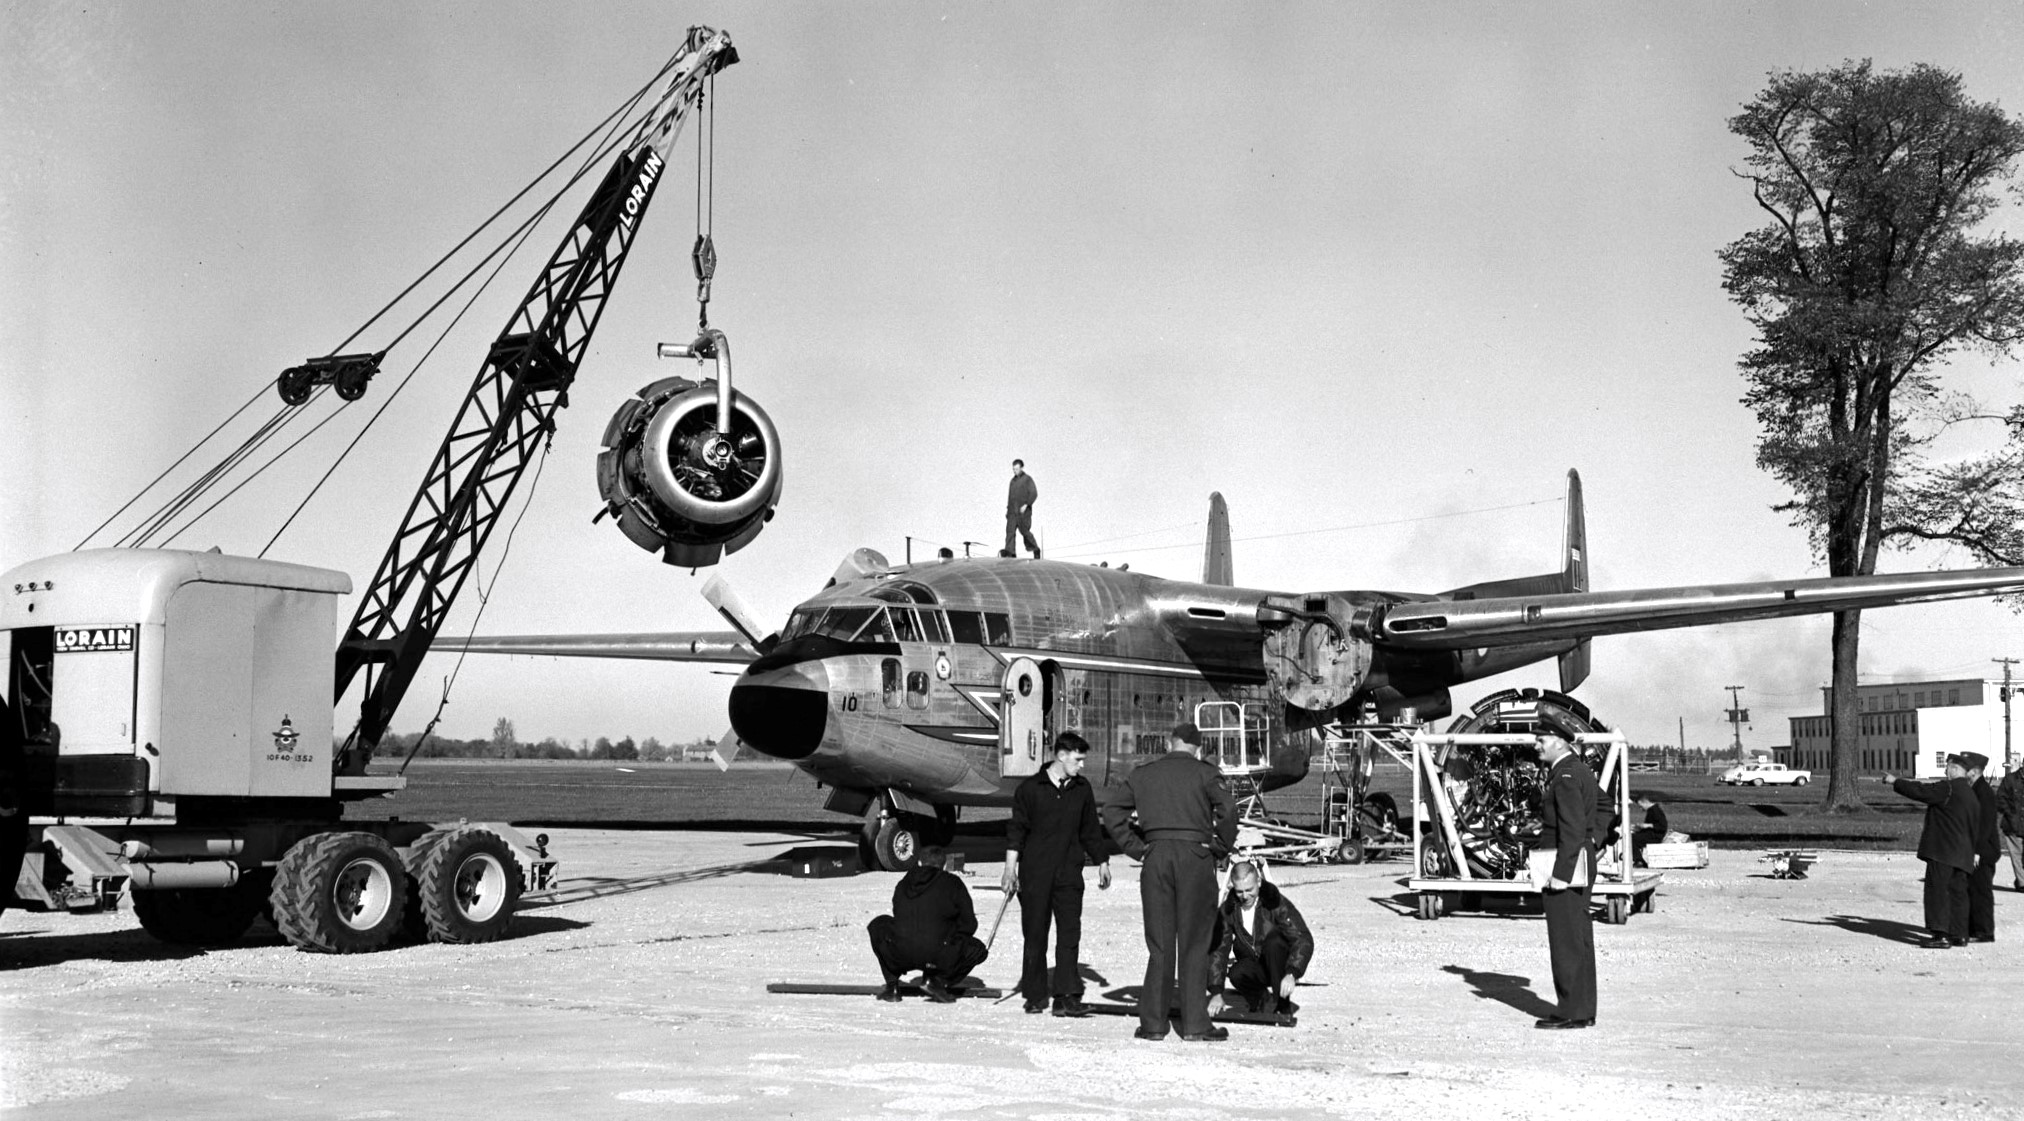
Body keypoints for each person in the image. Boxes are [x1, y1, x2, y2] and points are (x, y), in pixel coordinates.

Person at [1101, 722, 1238, 1042]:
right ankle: (1195, 1025)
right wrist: (1219, 846)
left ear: (1169, 743)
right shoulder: (1205, 773)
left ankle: (1153, 1024)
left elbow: (1111, 811)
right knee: (1193, 943)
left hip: (1156, 856)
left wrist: (1137, 848)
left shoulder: (1143, 774)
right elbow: (1228, 809)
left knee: (1160, 944)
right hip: (1195, 858)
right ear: (1197, 747)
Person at [1004, 731, 1113, 1017]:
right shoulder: (1029, 789)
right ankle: (1035, 994)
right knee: (1035, 935)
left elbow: (1090, 829)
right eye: (1078, 759)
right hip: (1035, 875)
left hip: (1068, 874)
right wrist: (1009, 869)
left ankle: (1066, 996)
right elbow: (1016, 832)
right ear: (1061, 756)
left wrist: (1103, 861)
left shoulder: (1081, 789)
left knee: (1069, 934)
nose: (1082, 765)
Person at [1534, 733, 1602, 1029]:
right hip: (1580, 857)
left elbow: (1571, 830)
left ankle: (1571, 1011)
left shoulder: (1564, 777)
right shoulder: (1580, 769)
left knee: (1565, 940)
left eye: (1542, 740)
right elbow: (1606, 805)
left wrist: (1561, 876)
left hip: (1566, 863)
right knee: (1579, 938)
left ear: (1561, 743)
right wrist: (1595, 839)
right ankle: (1583, 1009)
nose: (1536, 745)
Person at [867, 845, 989, 1002]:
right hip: (938, 952)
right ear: (943, 865)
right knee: (978, 950)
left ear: (919, 862)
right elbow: (969, 924)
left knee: (878, 925)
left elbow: (898, 913)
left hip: (900, 950)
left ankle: (892, 986)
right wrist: (949, 935)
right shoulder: (953, 883)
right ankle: (938, 981)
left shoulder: (904, 883)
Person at [1886, 755, 1981, 949]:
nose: (1945, 772)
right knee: (1958, 894)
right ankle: (1959, 934)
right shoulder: (1971, 795)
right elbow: (1977, 826)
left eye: (1947, 768)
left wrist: (1896, 782)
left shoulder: (1948, 788)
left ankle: (1940, 935)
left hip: (1943, 850)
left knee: (1937, 891)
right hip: (1964, 854)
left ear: (1955, 770)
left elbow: (1921, 791)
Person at [1207, 860, 1313, 1016]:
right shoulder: (1228, 909)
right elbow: (1218, 950)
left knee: (1274, 942)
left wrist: (1292, 973)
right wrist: (1216, 992)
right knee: (1236, 973)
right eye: (1239, 891)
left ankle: (1282, 1005)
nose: (1245, 896)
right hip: (1256, 965)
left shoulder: (1275, 902)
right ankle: (1260, 1000)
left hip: (1280, 965)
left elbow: (1302, 938)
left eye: (1249, 889)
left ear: (1258, 882)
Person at [1964, 752, 1999, 943]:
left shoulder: (1983, 791)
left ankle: (1985, 931)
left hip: (1984, 849)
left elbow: (1985, 824)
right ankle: (1973, 928)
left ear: (1975, 771)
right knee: (1972, 889)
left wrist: (1977, 850)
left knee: (1981, 891)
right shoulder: (1974, 788)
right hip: (1977, 848)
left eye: (1967, 768)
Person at [1003, 459, 1040, 559]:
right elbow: (1010, 497)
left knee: (1024, 531)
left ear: (1021, 468)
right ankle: (1010, 552)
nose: (1015, 471)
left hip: (1023, 512)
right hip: (1012, 512)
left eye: (1017, 469)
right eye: (1013, 469)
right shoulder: (1012, 481)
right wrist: (1008, 510)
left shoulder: (1027, 479)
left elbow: (1034, 493)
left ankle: (1035, 549)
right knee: (1010, 532)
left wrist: (1027, 504)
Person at [2000, 761, 2024, 892]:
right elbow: (2000, 798)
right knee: (2016, 854)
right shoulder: (2010, 779)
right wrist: (2010, 814)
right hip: (2013, 824)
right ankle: (2022, 882)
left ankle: (2020, 879)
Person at [1629, 793, 1669, 868]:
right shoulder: (1652, 810)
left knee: (1631, 839)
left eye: (1641, 806)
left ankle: (1639, 860)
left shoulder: (1656, 811)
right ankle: (1638, 859)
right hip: (1651, 833)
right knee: (1632, 836)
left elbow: (1662, 826)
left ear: (1645, 802)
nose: (1641, 809)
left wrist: (1648, 825)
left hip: (1656, 836)